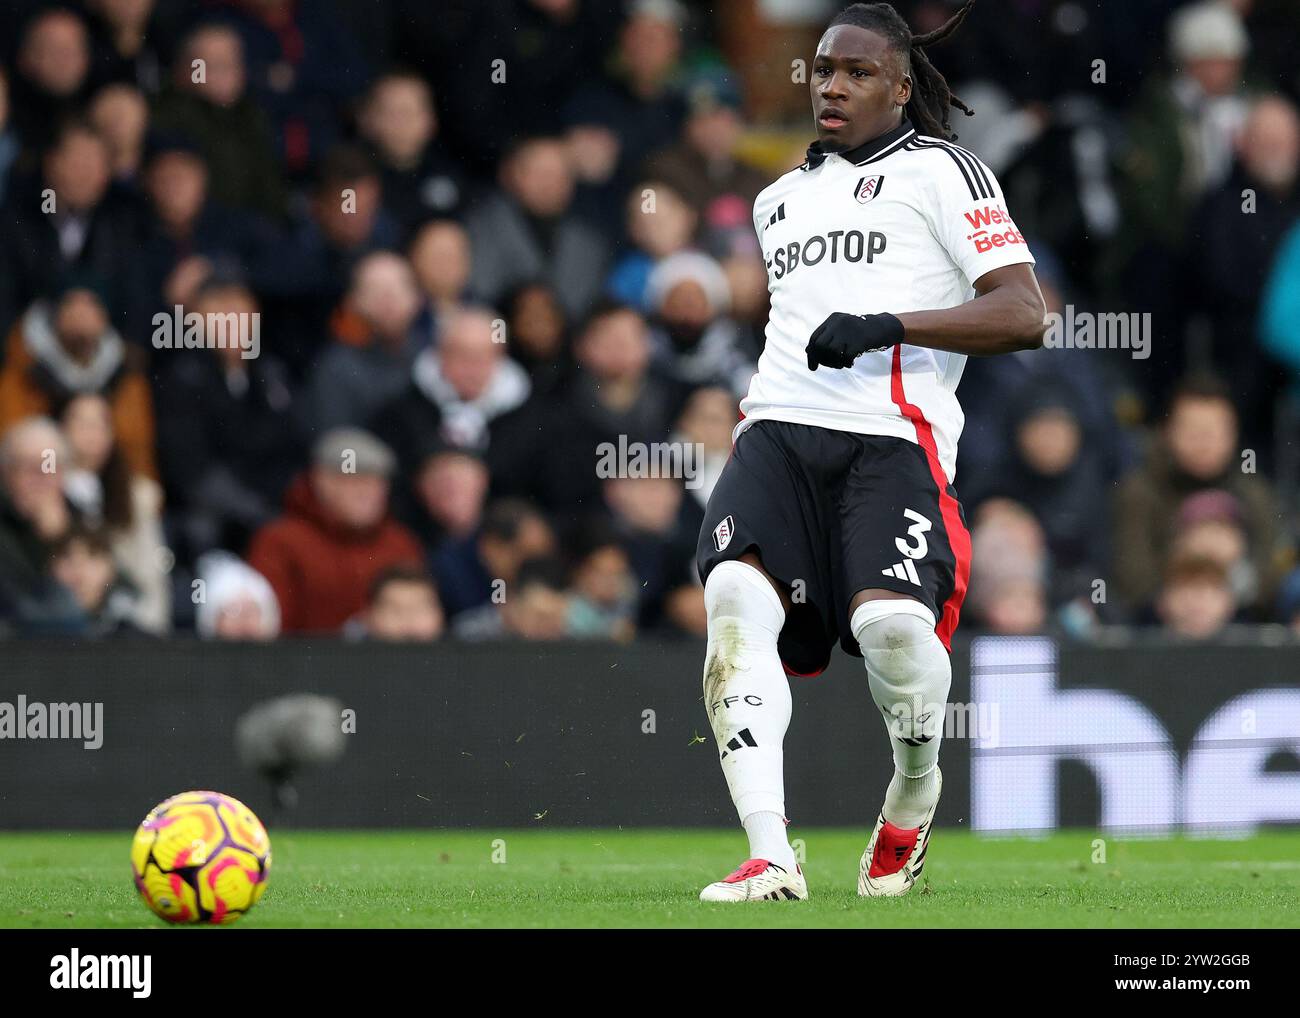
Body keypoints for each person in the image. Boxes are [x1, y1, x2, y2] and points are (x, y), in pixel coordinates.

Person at [694, 1, 1046, 903]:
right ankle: (771, 855)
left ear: (900, 86)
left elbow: (1022, 311)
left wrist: (888, 325)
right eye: (822, 69)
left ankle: (914, 791)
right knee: (734, 605)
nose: (833, 86)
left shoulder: (943, 170)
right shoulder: (780, 199)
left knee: (893, 633)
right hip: (774, 430)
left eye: (856, 72)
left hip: (891, 443)